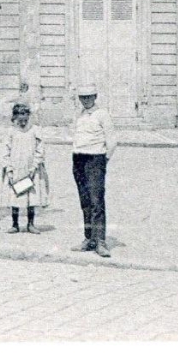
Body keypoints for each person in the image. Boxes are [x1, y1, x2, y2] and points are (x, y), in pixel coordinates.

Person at [71, 83, 117, 258]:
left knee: (96, 201)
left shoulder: (102, 114)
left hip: (95, 159)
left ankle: (100, 242)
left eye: (89, 97)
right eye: (82, 97)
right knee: (85, 201)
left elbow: (112, 141)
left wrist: (103, 160)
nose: (86, 100)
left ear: (95, 97)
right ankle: (89, 239)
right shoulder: (79, 115)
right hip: (78, 158)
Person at [1, 101, 48, 234]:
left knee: (31, 197)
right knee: (15, 195)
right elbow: (5, 151)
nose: (22, 122)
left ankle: (31, 224)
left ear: (29, 116)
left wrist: (34, 167)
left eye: (25, 118)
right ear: (14, 117)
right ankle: (15, 224)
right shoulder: (10, 132)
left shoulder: (35, 130)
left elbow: (40, 150)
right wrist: (9, 170)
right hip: (15, 168)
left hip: (31, 168)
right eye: (19, 119)